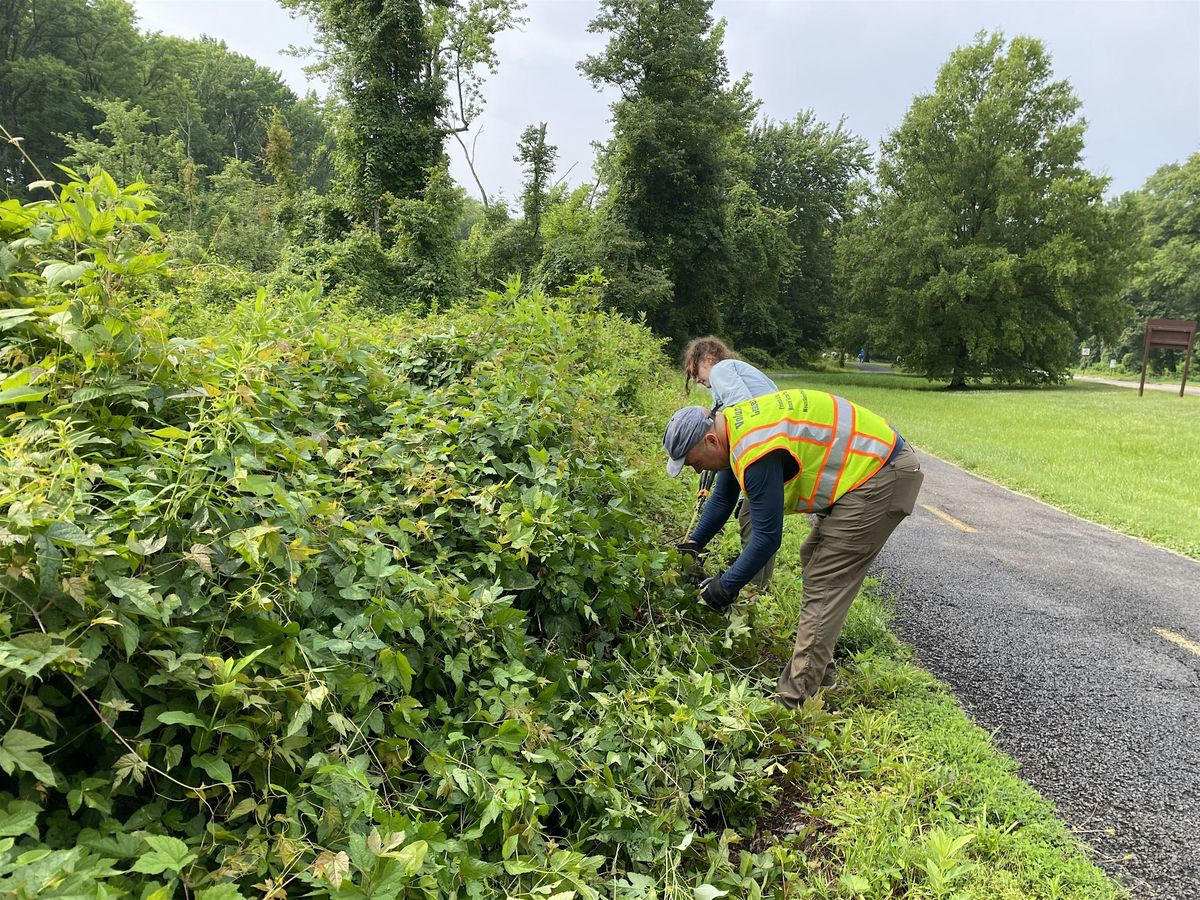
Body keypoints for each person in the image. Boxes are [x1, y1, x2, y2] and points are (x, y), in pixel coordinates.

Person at [662, 389, 924, 706]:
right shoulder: (733, 426)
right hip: (873, 468)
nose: (698, 471)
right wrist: (693, 544)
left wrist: (724, 588)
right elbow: (722, 498)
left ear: (710, 441)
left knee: (826, 580)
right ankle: (821, 677)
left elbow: (767, 538)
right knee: (814, 560)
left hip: (882, 474)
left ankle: (794, 701)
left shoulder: (755, 449)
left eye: (694, 462)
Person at [679, 336, 778, 589]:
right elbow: (723, 496)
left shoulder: (723, 370)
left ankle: (750, 597)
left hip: (764, 447)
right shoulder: (731, 385)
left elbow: (746, 409)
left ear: (709, 359)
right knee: (752, 520)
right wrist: (696, 541)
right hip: (769, 445)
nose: (699, 380)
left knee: (753, 521)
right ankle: (755, 592)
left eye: (696, 371)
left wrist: (744, 490)